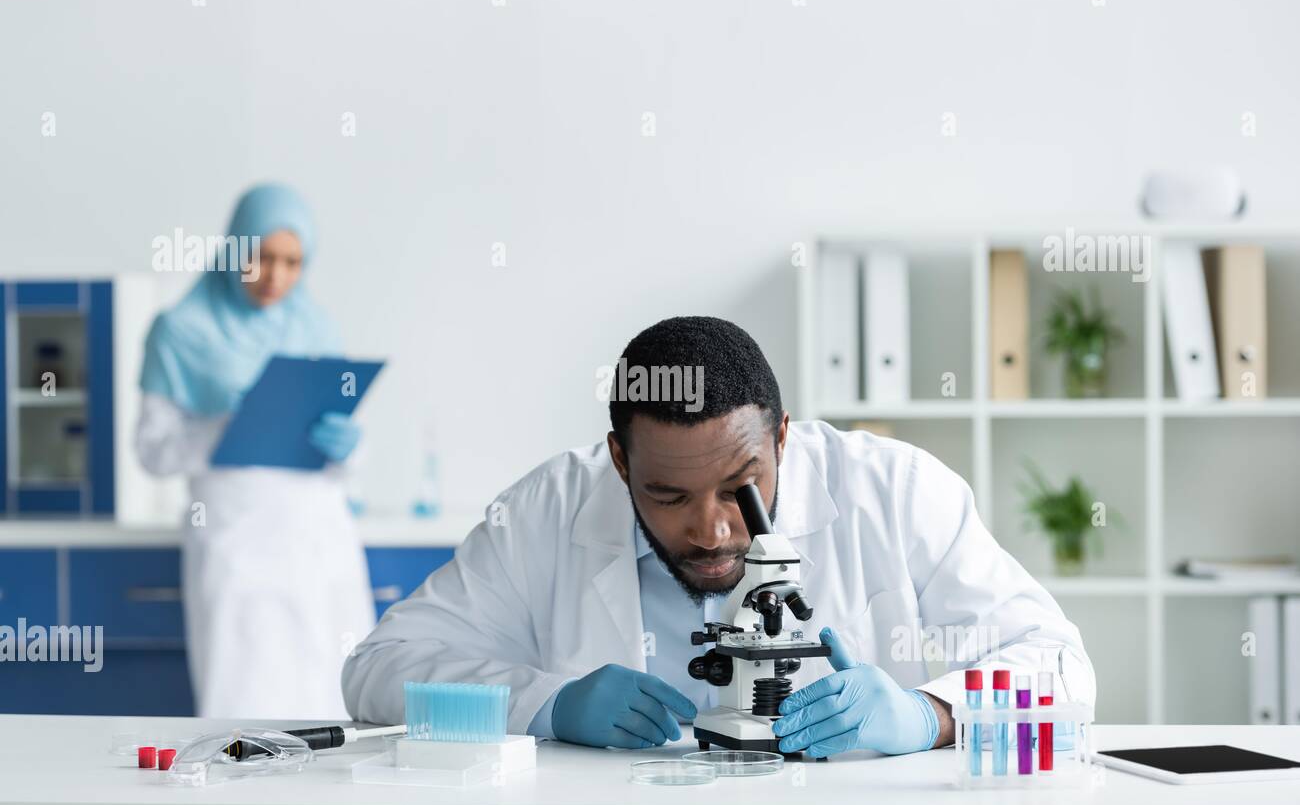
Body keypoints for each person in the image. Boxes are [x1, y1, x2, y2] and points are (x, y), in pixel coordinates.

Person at [343, 316, 1095, 757]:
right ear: (619, 460)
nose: (710, 527)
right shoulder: (549, 506)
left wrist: (929, 714)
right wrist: (546, 703)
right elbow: (378, 672)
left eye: (741, 486)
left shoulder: (891, 489)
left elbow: (1064, 669)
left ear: (783, 440)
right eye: (667, 494)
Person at [137, 183, 375, 719]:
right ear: (235, 248)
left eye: (292, 262)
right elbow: (151, 451)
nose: (276, 276)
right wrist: (223, 430)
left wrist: (350, 449)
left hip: (320, 537)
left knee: (338, 703)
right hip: (237, 539)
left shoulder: (315, 325)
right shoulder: (179, 330)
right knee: (245, 705)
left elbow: (342, 450)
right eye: (262, 256)